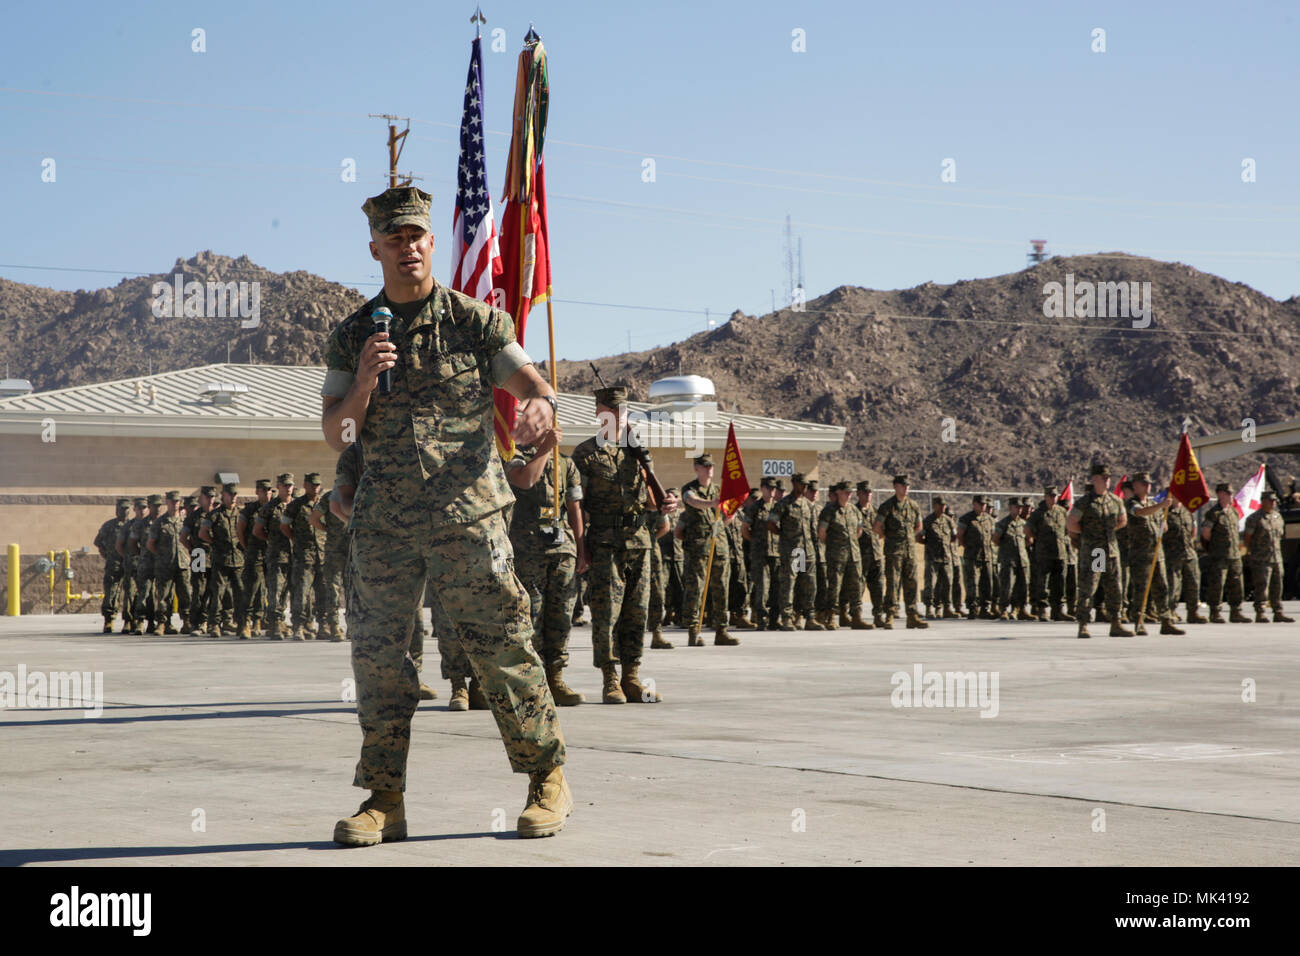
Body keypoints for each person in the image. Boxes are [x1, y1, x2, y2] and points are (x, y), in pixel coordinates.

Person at [321, 185, 570, 843]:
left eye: (416, 236)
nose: (407, 247)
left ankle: (547, 777)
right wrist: (366, 385)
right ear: (374, 247)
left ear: (433, 243)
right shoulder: (352, 336)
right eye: (394, 238)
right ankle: (384, 800)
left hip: (469, 518)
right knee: (379, 657)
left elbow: (528, 382)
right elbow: (336, 434)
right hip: (384, 527)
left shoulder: (474, 322)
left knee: (503, 648)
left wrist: (542, 404)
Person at [573, 386, 681, 700]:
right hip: (605, 543)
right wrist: (582, 549)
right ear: (599, 413)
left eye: (623, 412)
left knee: (637, 612)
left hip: (640, 542)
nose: (618, 418)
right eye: (612, 411)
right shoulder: (586, 453)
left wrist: (666, 502)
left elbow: (650, 500)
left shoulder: (637, 452)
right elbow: (576, 504)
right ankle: (610, 679)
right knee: (606, 614)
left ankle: (631, 676)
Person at [506, 427, 588, 705]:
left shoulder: (566, 463)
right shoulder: (516, 456)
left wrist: (580, 547)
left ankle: (556, 677)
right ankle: (532, 681)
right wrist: (545, 449)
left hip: (562, 548)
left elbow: (574, 507)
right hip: (529, 548)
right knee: (532, 616)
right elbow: (526, 481)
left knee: (562, 616)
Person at [678, 453, 739, 647]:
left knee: (721, 588)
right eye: (705, 466)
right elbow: (692, 501)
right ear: (696, 468)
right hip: (698, 547)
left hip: (718, 546)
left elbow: (728, 517)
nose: (709, 469)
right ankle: (693, 630)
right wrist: (712, 504)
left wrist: (725, 518)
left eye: (711, 466)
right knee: (696, 589)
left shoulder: (719, 490)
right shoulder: (690, 489)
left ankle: (721, 630)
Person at [1066, 464, 1133, 638]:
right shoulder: (1086, 502)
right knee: (1089, 587)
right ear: (1094, 479)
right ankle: (1083, 624)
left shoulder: (1115, 500)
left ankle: (1116, 623)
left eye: (1108, 478)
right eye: (1103, 477)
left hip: (1111, 550)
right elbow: (1071, 523)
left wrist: (1107, 533)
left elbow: (1122, 520)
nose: (1106, 480)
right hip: (1096, 552)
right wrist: (1089, 534)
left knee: (1115, 588)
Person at [1124, 473, 1184, 636]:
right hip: (1140, 555)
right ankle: (1138, 621)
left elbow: (1162, 526)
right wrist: (1161, 506)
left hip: (1157, 554)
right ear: (1135, 486)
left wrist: (1162, 522)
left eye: (1148, 483)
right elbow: (1140, 513)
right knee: (1141, 590)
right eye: (1144, 483)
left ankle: (1166, 621)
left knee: (1162, 588)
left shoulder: (1153, 504)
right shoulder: (1132, 503)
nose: (1147, 486)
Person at [873, 475, 928, 629]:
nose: (906, 488)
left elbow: (918, 526)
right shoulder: (887, 506)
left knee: (912, 583)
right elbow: (877, 527)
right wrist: (888, 537)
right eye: (903, 486)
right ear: (896, 486)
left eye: (908, 486)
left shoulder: (913, 505)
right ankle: (890, 615)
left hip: (909, 551)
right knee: (893, 583)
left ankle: (912, 616)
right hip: (894, 551)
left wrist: (909, 536)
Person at [769, 473, 821, 631]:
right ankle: (787, 618)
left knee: (810, 585)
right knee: (789, 584)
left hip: (808, 550)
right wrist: (785, 536)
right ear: (794, 483)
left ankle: (809, 617)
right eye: (801, 484)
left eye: (806, 484)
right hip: (793, 550)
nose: (804, 487)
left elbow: (813, 529)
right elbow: (771, 523)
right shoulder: (784, 504)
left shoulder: (808, 505)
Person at [817, 480, 870, 629]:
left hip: (854, 554)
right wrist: (835, 545)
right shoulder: (829, 511)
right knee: (834, 586)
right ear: (838, 493)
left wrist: (850, 543)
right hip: (836, 556)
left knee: (856, 586)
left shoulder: (854, 510)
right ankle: (831, 618)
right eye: (846, 492)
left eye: (850, 492)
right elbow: (822, 534)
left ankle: (856, 617)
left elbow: (859, 531)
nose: (848, 495)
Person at [283, 473, 329, 641]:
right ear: (305, 485)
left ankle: (323, 625)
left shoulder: (324, 504)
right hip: (304, 555)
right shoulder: (296, 505)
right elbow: (284, 526)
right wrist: (296, 539)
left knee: (323, 592)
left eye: (318, 485)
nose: (315, 488)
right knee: (302, 592)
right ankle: (298, 626)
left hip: (322, 555)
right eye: (312, 485)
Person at [200, 483, 246, 638]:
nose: (233, 497)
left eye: (235, 494)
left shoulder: (241, 513)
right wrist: (214, 543)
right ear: (223, 496)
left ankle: (241, 624)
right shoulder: (215, 514)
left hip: (238, 560)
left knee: (240, 593)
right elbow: (203, 533)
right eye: (230, 494)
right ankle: (214, 624)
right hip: (220, 560)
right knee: (218, 592)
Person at [1201, 482, 1250, 624]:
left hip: (1234, 555)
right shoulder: (1214, 514)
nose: (1231, 496)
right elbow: (1206, 534)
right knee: (1217, 585)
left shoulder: (1233, 512)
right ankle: (1215, 612)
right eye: (1228, 493)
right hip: (1219, 556)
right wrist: (1217, 546)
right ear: (1220, 494)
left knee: (1236, 584)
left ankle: (1236, 612)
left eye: (1231, 493)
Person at [1243, 490, 1294, 622]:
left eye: (1274, 501)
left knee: (1278, 586)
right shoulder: (1254, 518)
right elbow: (1247, 538)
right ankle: (1260, 612)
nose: (1273, 503)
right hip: (1261, 558)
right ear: (1263, 501)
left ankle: (1278, 612)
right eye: (1270, 500)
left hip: (1276, 557)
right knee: (1262, 586)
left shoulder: (1278, 517)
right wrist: (1249, 552)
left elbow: (1280, 536)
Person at [1025, 486, 1072, 621]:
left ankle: (1058, 610)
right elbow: (1027, 529)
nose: (1053, 498)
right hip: (1044, 553)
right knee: (1043, 582)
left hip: (1060, 552)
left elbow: (1068, 528)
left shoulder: (1062, 512)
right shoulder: (1038, 513)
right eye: (1050, 496)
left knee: (1060, 582)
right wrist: (1037, 539)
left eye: (1055, 496)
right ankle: (1043, 609)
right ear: (1045, 496)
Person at [741, 477, 781, 630]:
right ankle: (761, 619)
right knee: (762, 587)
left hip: (776, 552)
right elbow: (745, 529)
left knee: (776, 588)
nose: (771, 491)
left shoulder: (779, 507)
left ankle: (774, 619)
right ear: (762, 489)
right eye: (769, 488)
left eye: (773, 489)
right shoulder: (755, 508)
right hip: (760, 553)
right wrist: (756, 542)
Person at [149, 490, 191, 634]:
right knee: (164, 595)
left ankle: (187, 621)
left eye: (177, 501)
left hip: (183, 564)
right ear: (167, 503)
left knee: (186, 593)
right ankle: (162, 623)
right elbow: (151, 544)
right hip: (165, 565)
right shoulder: (159, 522)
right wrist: (162, 556)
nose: (175, 504)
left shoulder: (186, 521)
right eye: (172, 501)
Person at [238, 478, 273, 638]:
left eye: (269, 490)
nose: (266, 493)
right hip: (255, 553)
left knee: (268, 590)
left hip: (272, 553)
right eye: (263, 490)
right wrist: (248, 549)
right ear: (257, 492)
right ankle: (245, 622)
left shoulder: (275, 507)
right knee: (251, 589)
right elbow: (240, 531)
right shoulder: (249, 510)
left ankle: (259, 620)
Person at [1163, 494, 1205, 624]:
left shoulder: (1187, 512)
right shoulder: (1165, 513)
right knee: (1173, 585)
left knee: (1193, 582)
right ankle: (1171, 611)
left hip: (1189, 553)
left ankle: (1193, 612)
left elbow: (1193, 530)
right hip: (1172, 554)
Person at [94, 498, 131, 633]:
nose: (124, 511)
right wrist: (106, 554)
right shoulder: (109, 526)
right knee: (111, 593)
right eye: (121, 508)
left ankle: (128, 621)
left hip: (129, 564)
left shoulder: (133, 525)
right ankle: (109, 620)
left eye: (126, 509)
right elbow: (97, 541)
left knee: (130, 593)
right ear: (116, 510)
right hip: (113, 564)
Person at [957, 496, 997, 620]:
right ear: (974, 504)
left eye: (985, 504)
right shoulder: (966, 519)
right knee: (973, 583)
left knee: (987, 583)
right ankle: (973, 608)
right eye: (981, 504)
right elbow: (960, 536)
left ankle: (985, 608)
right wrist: (968, 547)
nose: (984, 506)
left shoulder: (989, 519)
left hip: (987, 556)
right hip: (972, 557)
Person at [993, 497, 1032, 620]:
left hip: (1022, 559)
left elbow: (1029, 540)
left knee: (1023, 585)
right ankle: (1004, 609)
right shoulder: (1003, 523)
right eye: (1017, 507)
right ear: (1010, 508)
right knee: (1007, 585)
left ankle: (1019, 609)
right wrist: (1007, 549)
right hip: (1008, 559)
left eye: (1021, 507)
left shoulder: (1024, 523)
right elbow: (995, 539)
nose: (1020, 509)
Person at [130, 494, 163, 634]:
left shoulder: (164, 522)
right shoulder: (140, 524)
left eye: (159, 505)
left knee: (162, 594)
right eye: (155, 505)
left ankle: (160, 622)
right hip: (146, 563)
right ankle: (141, 621)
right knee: (144, 593)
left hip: (162, 564)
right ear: (149, 506)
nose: (157, 508)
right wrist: (142, 555)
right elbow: (132, 544)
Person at [921, 496, 959, 620]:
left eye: (944, 505)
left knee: (947, 583)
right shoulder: (928, 521)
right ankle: (929, 608)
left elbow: (954, 536)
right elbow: (919, 537)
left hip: (946, 557)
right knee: (931, 584)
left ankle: (946, 608)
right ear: (935, 505)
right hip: (933, 558)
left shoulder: (948, 520)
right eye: (940, 505)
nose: (943, 507)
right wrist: (929, 544)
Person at [854, 482, 886, 626]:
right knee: (858, 588)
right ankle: (856, 616)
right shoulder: (853, 511)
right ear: (858, 493)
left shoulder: (876, 512)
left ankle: (878, 616)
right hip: (860, 556)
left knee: (878, 588)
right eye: (865, 492)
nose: (868, 495)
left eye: (870, 492)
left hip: (876, 556)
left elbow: (881, 533)